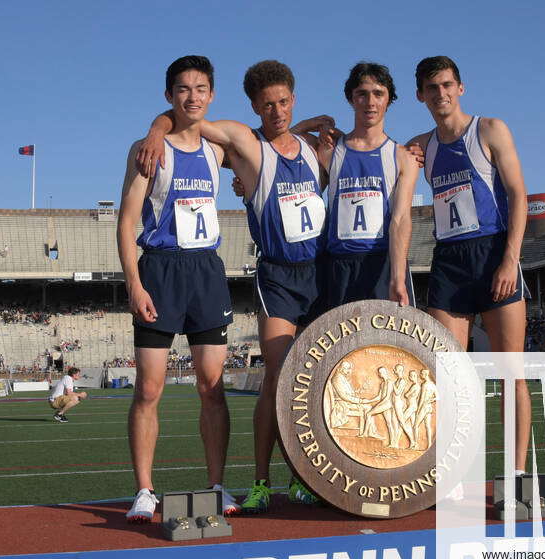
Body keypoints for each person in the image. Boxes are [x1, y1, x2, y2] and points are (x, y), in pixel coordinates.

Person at [136, 60, 335, 514]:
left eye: (284, 102)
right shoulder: (246, 143)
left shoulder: (311, 149)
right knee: (278, 380)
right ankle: (262, 480)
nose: (277, 110)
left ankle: (307, 476)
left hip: (319, 274)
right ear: (253, 107)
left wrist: (309, 130)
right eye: (267, 105)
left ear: (294, 100)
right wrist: (153, 129)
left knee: (319, 383)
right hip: (278, 276)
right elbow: (189, 119)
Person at [117, 55, 237, 522]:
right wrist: (134, 283)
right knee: (149, 389)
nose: (192, 97)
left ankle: (217, 485)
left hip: (206, 272)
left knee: (212, 387)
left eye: (201, 88)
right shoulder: (149, 150)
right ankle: (145, 490)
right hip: (160, 272)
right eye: (183, 89)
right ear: (169, 95)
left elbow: (267, 139)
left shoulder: (218, 148)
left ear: (211, 94)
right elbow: (127, 222)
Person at [405, 56, 532, 475]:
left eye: (446, 85)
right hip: (450, 262)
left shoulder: (490, 129)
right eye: (431, 88)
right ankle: (456, 473)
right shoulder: (420, 147)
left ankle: (515, 474)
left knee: (511, 373)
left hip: (494, 253)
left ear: (460, 87)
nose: (440, 94)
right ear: (420, 95)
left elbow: (517, 195)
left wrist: (510, 259)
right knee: (447, 377)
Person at [316, 62, 419, 308]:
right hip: (338, 267)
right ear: (351, 99)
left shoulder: (402, 156)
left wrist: (397, 277)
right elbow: (282, 145)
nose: (370, 102)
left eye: (378, 94)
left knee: (386, 347)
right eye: (362, 94)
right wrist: (312, 124)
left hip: (381, 265)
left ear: (388, 100)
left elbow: (401, 218)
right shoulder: (329, 151)